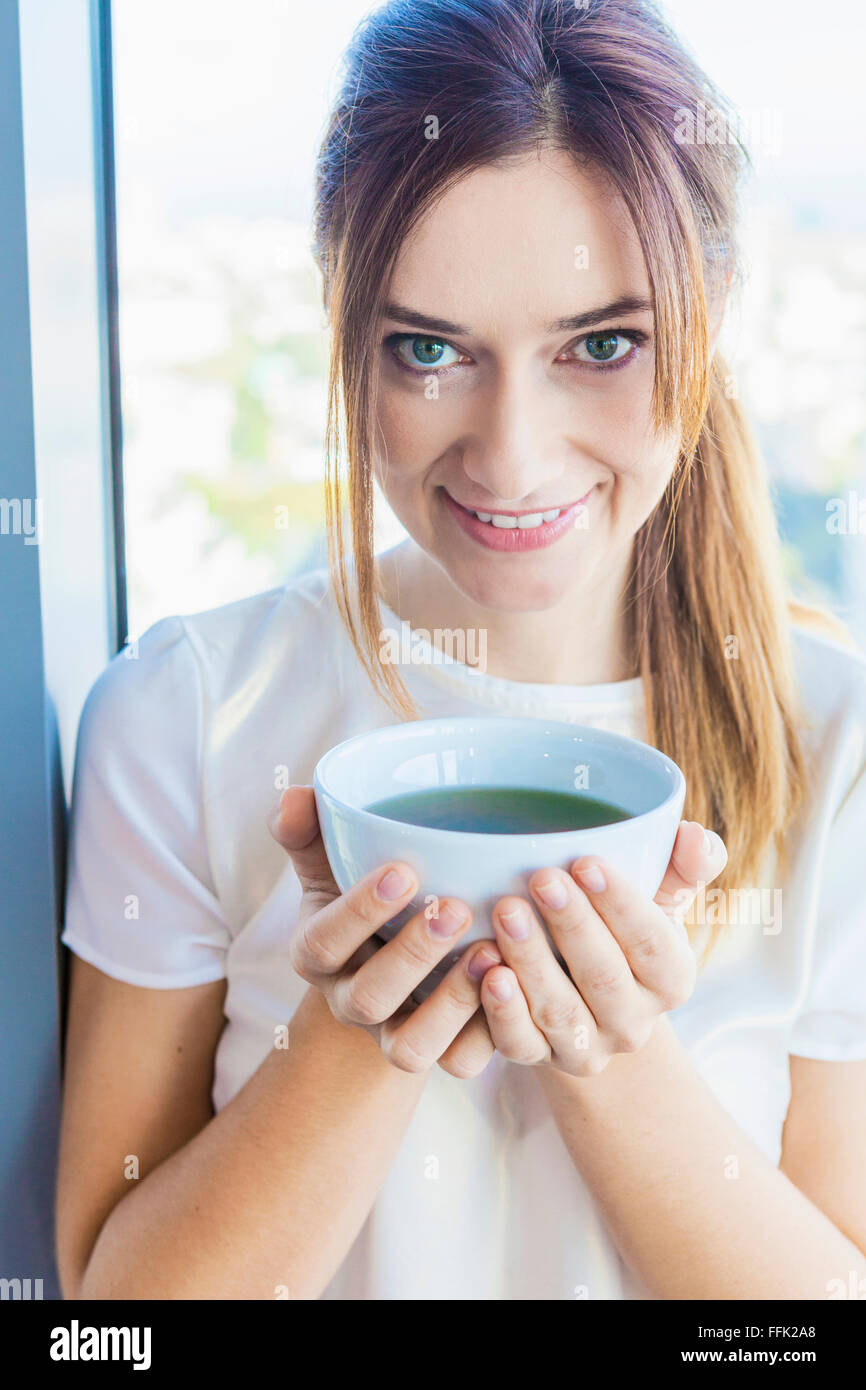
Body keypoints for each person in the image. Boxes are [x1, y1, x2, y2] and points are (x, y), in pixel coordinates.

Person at [56, 0, 866, 1300]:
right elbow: (115, 1327)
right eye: (427, 351)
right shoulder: (187, 713)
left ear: (709, 317)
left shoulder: (834, 748)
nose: (511, 455)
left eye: (600, 344)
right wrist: (350, 1041)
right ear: (343, 331)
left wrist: (610, 1057)